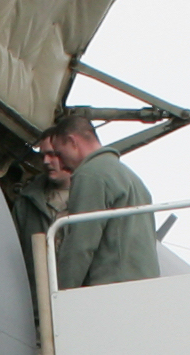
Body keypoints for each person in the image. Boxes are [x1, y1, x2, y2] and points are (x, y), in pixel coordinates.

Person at [43, 117, 160, 290]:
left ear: (72, 141)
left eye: (59, 153)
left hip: (111, 288)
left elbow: (81, 243)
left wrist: (60, 293)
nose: (60, 162)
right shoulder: (130, 177)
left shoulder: (90, 174)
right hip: (144, 288)